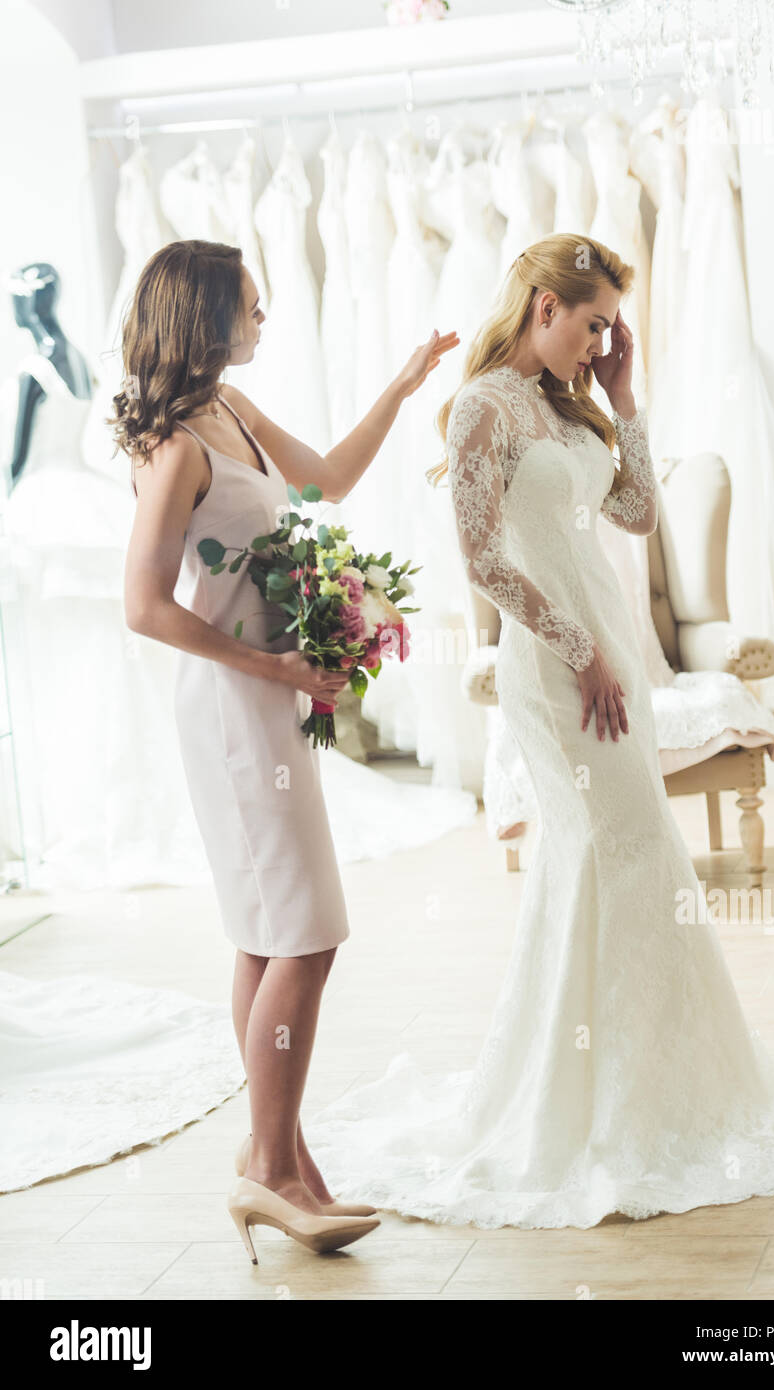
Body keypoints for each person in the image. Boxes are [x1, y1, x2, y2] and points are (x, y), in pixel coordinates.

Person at [302, 233, 774, 1230]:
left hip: (610, 658)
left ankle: (661, 1089)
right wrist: (576, 646)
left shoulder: (571, 404)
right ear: (541, 306)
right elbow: (483, 561)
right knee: (608, 849)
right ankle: (584, 1103)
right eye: (590, 321)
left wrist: (626, 395)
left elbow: (636, 511)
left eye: (608, 324)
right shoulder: (480, 407)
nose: (600, 338)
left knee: (635, 858)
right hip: (557, 669)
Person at [116, 238, 458, 1259]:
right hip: (233, 708)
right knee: (307, 933)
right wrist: (275, 671)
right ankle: (268, 1168)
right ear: (206, 317)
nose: (266, 319)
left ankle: (285, 1159)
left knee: (268, 934)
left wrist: (401, 387)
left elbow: (329, 486)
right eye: (252, 307)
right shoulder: (178, 444)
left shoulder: (234, 410)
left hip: (267, 699)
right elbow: (141, 606)